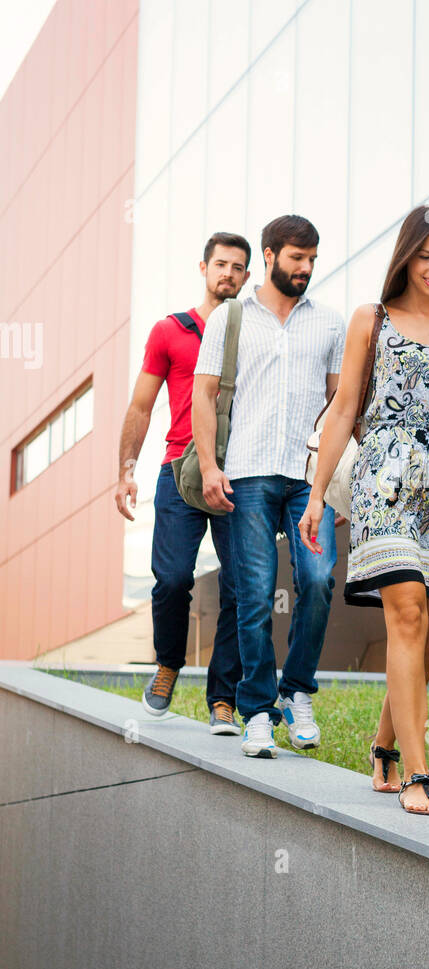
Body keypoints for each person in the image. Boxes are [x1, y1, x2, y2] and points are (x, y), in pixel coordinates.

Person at [298, 206, 429, 814]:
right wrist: (318, 493)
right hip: (385, 486)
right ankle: (417, 774)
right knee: (405, 618)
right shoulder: (369, 320)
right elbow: (346, 407)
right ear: (405, 256)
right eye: (425, 256)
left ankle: (382, 744)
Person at [192, 214, 346, 759]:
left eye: (312, 260)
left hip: (308, 480)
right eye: (296, 258)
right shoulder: (231, 319)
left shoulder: (330, 323)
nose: (305, 268)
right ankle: (258, 710)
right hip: (248, 475)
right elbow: (205, 393)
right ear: (270, 255)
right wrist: (211, 468)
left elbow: (340, 406)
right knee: (254, 597)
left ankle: (297, 690)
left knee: (319, 578)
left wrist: (335, 483)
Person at [115, 233, 251, 732]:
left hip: (239, 476)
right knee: (172, 579)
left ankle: (223, 698)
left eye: (239, 268)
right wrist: (126, 471)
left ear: (248, 277)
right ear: (203, 267)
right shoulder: (170, 331)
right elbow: (140, 406)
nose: (229, 275)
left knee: (242, 587)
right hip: (180, 470)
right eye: (221, 265)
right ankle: (168, 664)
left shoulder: (251, 331)